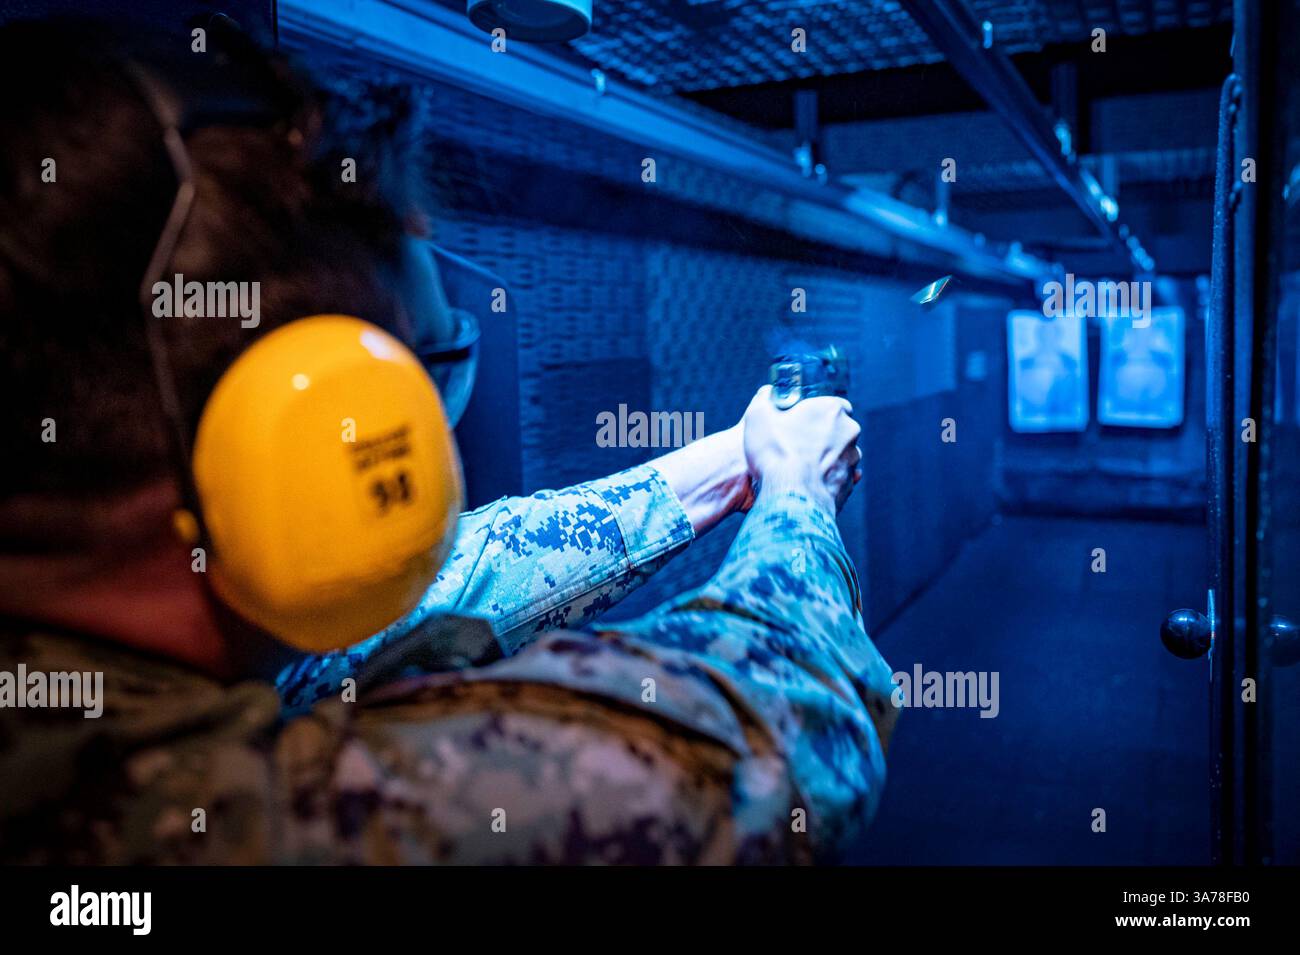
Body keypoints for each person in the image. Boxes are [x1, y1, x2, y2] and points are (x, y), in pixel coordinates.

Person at [0, 20, 896, 864]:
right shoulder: (226, 820)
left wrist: (741, 457)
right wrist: (799, 501)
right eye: (421, 369)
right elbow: (771, 737)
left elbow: (462, 577)